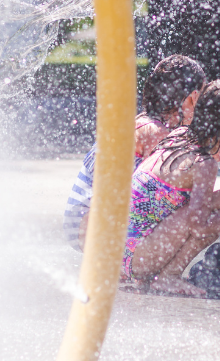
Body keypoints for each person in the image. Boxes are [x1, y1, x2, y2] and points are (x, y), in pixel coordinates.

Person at [124, 80, 220, 296]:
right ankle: (168, 277)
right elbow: (201, 227)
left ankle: (161, 275)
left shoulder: (179, 136)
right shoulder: (203, 164)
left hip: (122, 250)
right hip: (139, 257)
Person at [63, 55, 207, 251]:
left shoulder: (141, 123)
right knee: (191, 201)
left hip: (82, 224)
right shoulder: (156, 134)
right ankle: (154, 273)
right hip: (93, 229)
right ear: (192, 98)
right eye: (203, 99)